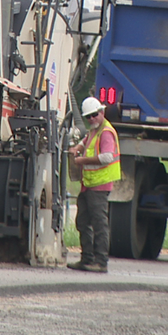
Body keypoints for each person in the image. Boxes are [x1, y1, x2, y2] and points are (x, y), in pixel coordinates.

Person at [68, 96, 121, 273]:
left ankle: (100, 262)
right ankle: (87, 259)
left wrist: (82, 160)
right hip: (88, 184)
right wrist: (77, 148)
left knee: (99, 224)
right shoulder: (94, 130)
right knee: (83, 222)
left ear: (101, 112)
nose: (91, 118)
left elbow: (107, 157)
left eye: (94, 115)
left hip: (100, 185)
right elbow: (86, 142)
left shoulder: (106, 132)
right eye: (88, 116)